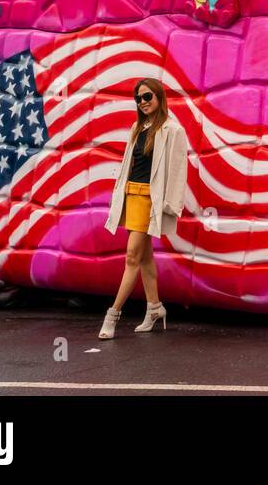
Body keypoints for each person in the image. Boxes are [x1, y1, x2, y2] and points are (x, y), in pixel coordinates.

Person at [99, 78, 190, 339]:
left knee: (131, 257)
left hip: (150, 200)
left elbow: (177, 170)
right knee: (145, 257)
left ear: (159, 96)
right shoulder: (138, 127)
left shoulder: (173, 130)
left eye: (147, 96)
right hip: (131, 196)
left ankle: (112, 314)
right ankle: (155, 308)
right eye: (138, 98)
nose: (143, 102)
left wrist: (170, 206)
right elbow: (129, 164)